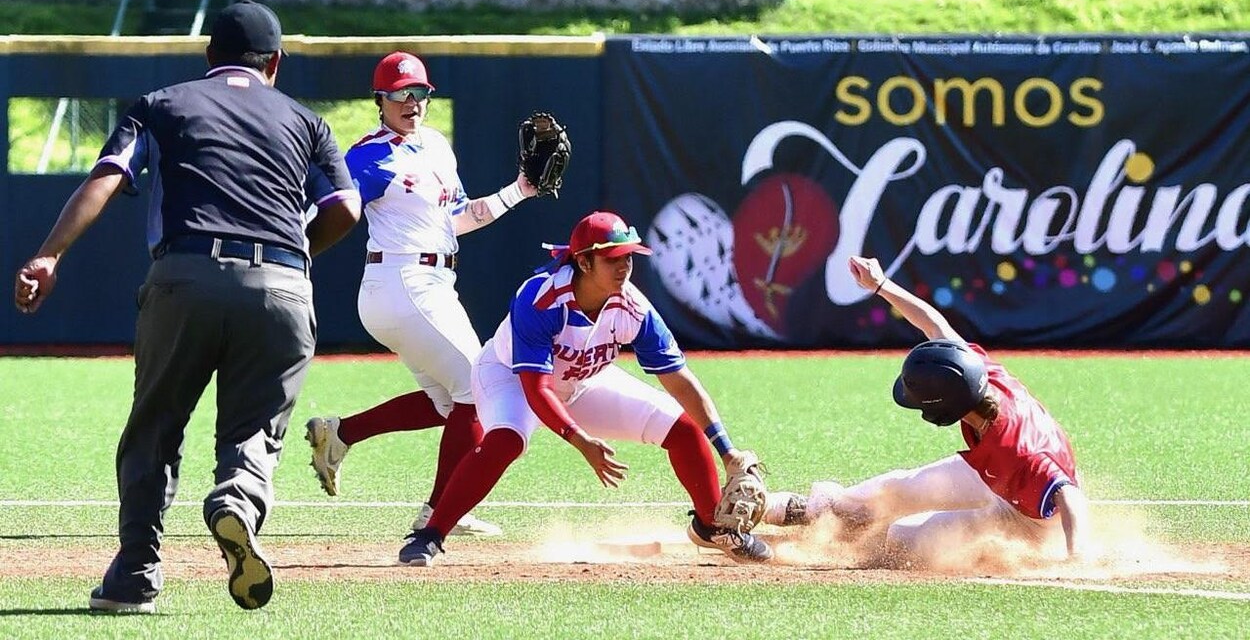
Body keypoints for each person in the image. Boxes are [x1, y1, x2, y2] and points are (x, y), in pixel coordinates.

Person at [13, 1, 362, 613]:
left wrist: (50, 255)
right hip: (281, 286)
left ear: (209, 57)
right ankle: (237, 498)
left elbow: (105, 177)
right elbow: (347, 209)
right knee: (254, 428)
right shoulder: (308, 123)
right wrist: (293, 254)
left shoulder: (162, 103)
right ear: (275, 63)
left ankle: (134, 578)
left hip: (185, 276)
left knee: (154, 430)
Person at [396, 210, 774, 566]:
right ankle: (429, 535)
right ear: (584, 262)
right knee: (507, 440)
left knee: (684, 429)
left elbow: (679, 379)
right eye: (613, 258)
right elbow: (536, 388)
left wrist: (726, 449)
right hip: (509, 378)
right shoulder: (541, 298)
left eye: (629, 256)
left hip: (580, 381)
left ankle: (712, 527)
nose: (624, 266)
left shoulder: (633, 308)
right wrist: (581, 441)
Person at [304, 51, 544, 537]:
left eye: (419, 93)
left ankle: (340, 434)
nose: (411, 102)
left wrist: (519, 189)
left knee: (448, 404)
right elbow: (321, 210)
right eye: (400, 94)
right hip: (399, 283)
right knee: (479, 388)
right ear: (380, 100)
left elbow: (459, 218)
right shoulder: (368, 156)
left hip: (433, 282)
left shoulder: (435, 145)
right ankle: (440, 513)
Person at [761, 256, 1091, 569]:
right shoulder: (980, 375)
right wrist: (881, 284)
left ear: (943, 411)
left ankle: (853, 540)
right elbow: (934, 326)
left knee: (902, 538)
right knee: (896, 488)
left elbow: (1069, 494)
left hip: (1025, 518)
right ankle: (815, 511)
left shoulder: (1022, 452)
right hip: (991, 470)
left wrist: (1077, 557)